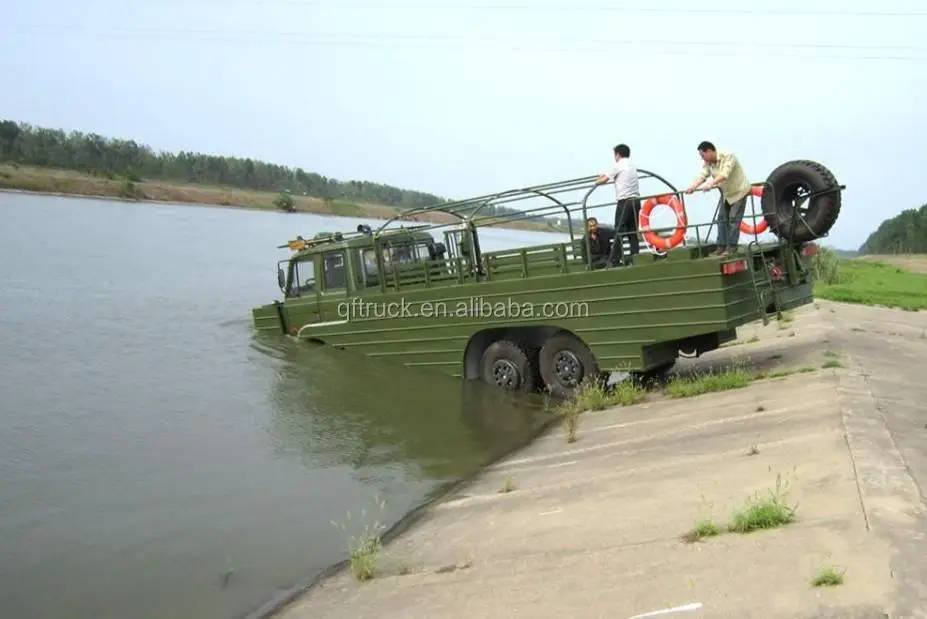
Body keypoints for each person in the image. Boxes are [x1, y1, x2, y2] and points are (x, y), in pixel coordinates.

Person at [684, 141, 751, 257]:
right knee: (721, 219)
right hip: (726, 194)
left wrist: (711, 184)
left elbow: (724, 174)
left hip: (739, 192)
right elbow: (702, 175)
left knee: (733, 219)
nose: (702, 159)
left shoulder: (728, 156)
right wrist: (693, 187)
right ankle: (721, 246)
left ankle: (731, 247)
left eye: (702, 155)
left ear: (709, 151)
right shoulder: (708, 163)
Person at [596, 143, 641, 266]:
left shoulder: (618, 165)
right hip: (636, 201)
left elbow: (604, 180)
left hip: (625, 202)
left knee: (619, 231)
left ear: (618, 154)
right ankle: (634, 257)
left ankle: (614, 260)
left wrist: (597, 181)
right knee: (632, 231)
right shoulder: (632, 166)